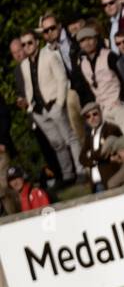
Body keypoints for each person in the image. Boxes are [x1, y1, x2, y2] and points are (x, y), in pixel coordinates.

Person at [19, 30, 80, 183]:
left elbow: (62, 79)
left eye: (29, 42)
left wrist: (59, 103)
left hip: (54, 104)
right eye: (23, 44)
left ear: (36, 42)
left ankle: (81, 170)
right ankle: (68, 175)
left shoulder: (49, 56)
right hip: (38, 110)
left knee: (69, 139)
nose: (27, 46)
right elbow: (29, 87)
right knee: (57, 144)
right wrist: (30, 107)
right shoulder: (24, 65)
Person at [78, 102, 124, 191]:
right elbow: (81, 158)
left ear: (100, 113)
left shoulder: (111, 129)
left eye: (95, 114)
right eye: (88, 116)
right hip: (96, 184)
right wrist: (96, 161)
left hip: (111, 179)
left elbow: (106, 151)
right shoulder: (89, 136)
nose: (92, 118)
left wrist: (91, 155)